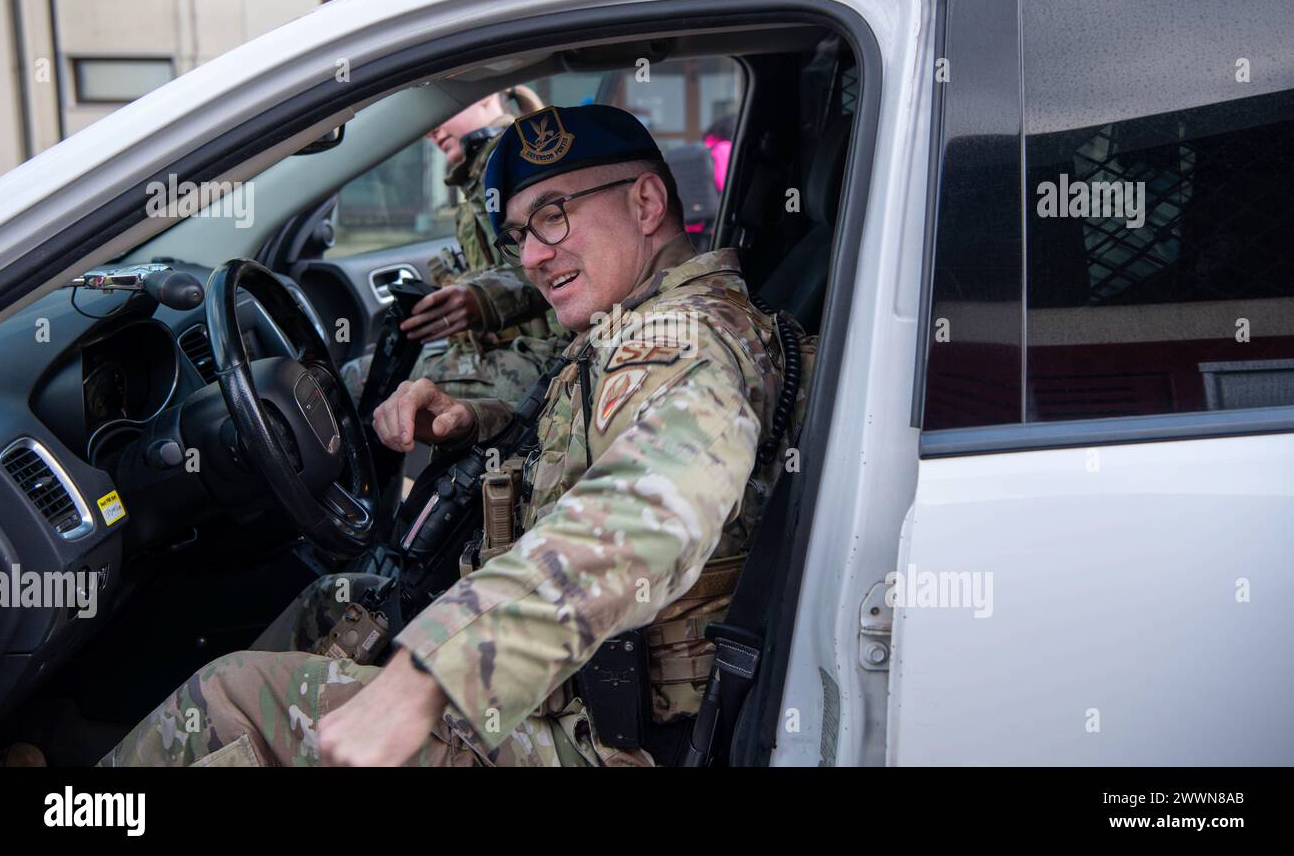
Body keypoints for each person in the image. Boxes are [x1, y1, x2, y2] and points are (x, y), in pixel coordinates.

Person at [101, 104, 812, 767]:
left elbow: (650, 514)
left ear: (647, 203)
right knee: (340, 601)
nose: (533, 257)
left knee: (231, 698)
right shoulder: (646, 316)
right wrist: (478, 420)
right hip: (577, 683)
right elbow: (600, 447)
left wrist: (431, 673)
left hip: (600, 739)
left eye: (554, 217)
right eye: (520, 236)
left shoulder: (680, 337)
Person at [341, 88, 569, 408]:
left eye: (441, 110)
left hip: (551, 356)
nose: (431, 129)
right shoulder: (485, 167)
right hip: (517, 348)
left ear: (488, 94)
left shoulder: (516, 162)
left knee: (358, 379)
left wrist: (483, 297)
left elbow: (559, 256)